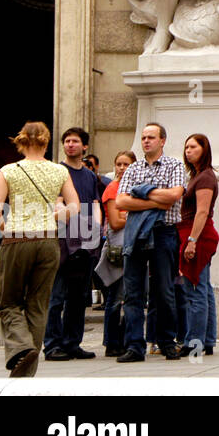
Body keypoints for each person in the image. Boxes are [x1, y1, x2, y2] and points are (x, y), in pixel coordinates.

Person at [0, 121, 80, 376]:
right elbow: (75, 207)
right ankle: (29, 362)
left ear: (21, 141)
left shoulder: (8, 170)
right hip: (48, 240)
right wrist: (60, 214)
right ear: (46, 141)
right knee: (38, 303)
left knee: (8, 301)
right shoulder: (59, 171)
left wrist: (3, 225)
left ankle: (22, 348)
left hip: (17, 238)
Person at [116, 122, 186, 362]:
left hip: (164, 232)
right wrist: (156, 199)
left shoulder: (174, 165)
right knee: (133, 291)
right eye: (144, 137)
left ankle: (166, 341)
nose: (146, 141)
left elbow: (175, 195)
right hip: (135, 233)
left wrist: (141, 192)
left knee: (164, 290)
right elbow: (121, 202)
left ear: (162, 141)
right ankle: (134, 346)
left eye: (151, 137)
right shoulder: (133, 168)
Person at [43, 126, 105, 361]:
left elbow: (96, 204)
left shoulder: (89, 175)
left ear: (85, 146)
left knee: (79, 297)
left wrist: (97, 230)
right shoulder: (57, 171)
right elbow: (56, 205)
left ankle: (72, 343)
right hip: (61, 239)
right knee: (56, 295)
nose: (70, 144)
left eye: (75, 141)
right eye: (67, 141)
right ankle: (52, 345)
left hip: (86, 240)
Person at [176, 134, 219, 356]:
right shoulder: (198, 175)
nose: (188, 151)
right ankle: (207, 339)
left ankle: (194, 342)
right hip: (196, 233)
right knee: (203, 288)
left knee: (194, 289)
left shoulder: (205, 178)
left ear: (204, 149)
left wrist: (192, 241)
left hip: (197, 234)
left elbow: (202, 211)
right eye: (186, 147)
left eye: (193, 147)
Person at [96, 151, 135, 356]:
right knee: (115, 297)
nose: (121, 168)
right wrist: (136, 216)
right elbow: (115, 221)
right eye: (118, 164)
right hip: (118, 249)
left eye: (126, 164)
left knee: (131, 297)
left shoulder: (135, 188)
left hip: (134, 246)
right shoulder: (113, 188)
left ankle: (126, 339)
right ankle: (111, 342)